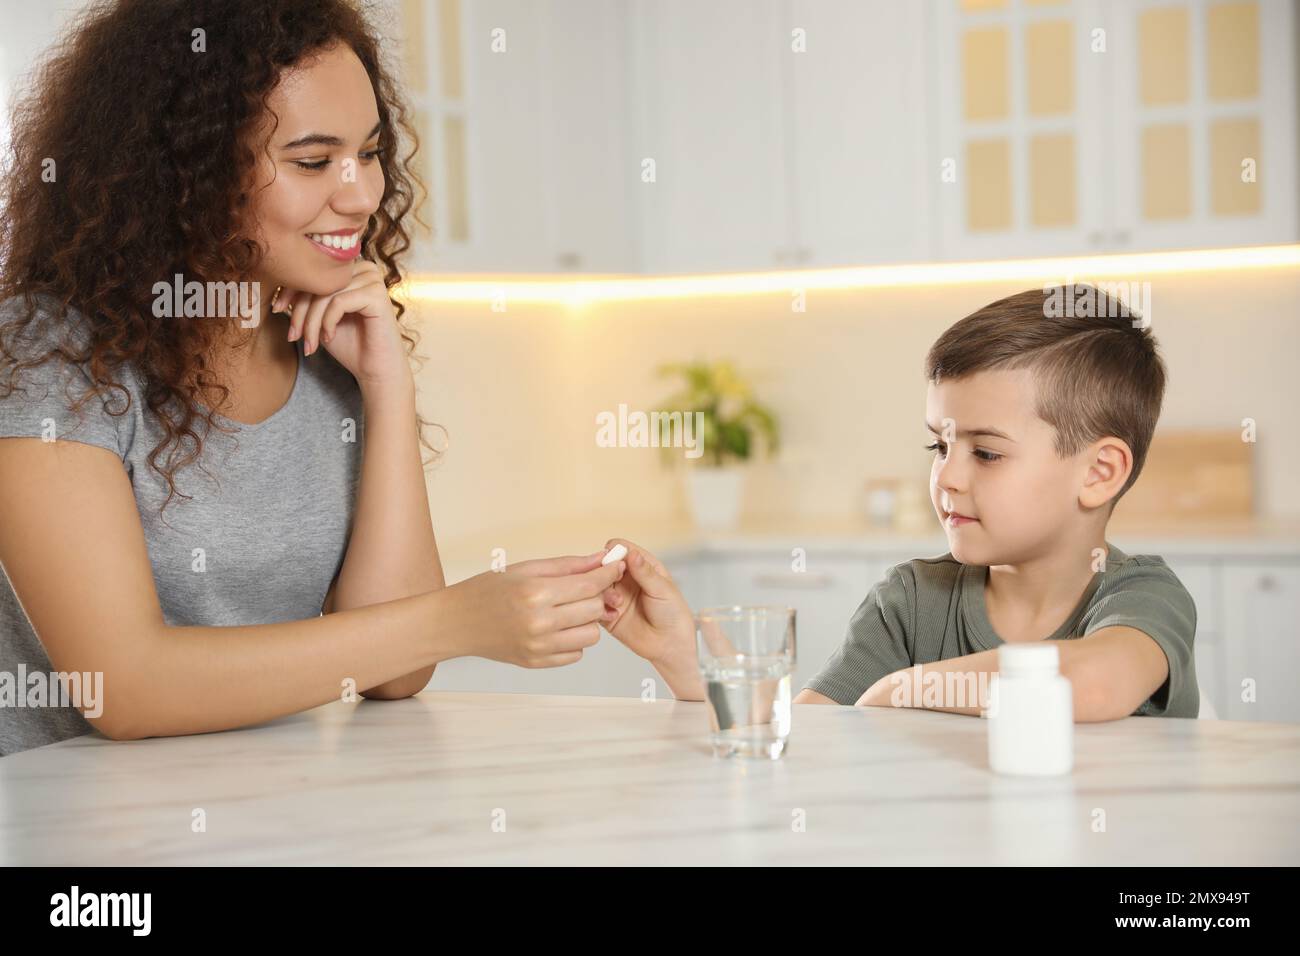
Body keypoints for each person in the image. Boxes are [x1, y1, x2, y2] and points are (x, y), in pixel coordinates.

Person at [0, 0, 624, 756]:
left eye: (369, 151)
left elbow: (398, 675)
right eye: (311, 161)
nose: (361, 194)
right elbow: (126, 685)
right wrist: (461, 617)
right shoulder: (51, 353)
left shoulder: (325, 352)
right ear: (184, 173)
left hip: (257, 811)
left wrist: (387, 392)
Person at [601, 286, 1199, 720]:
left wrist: (902, 688)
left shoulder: (1139, 594)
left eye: (986, 453)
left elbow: (1093, 683)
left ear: (1099, 472)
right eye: (940, 444)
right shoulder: (911, 601)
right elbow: (808, 737)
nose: (946, 478)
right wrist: (687, 656)